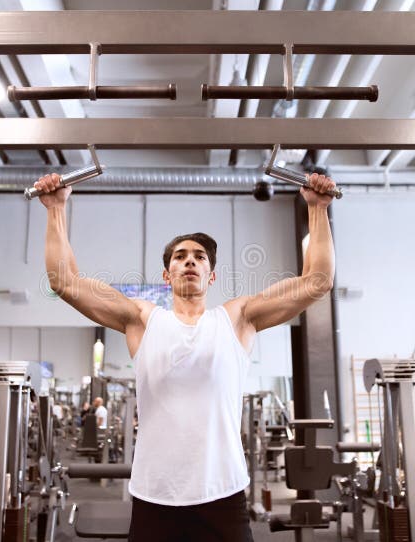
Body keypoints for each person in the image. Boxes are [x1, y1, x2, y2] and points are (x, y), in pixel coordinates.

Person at [33, 170, 335, 542]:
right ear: (167, 274)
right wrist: (56, 209)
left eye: (199, 257)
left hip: (222, 494)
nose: (189, 261)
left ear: (210, 276)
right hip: (154, 496)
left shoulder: (238, 319)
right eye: (180, 256)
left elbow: (317, 281)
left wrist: (318, 210)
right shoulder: (141, 320)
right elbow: (64, 282)